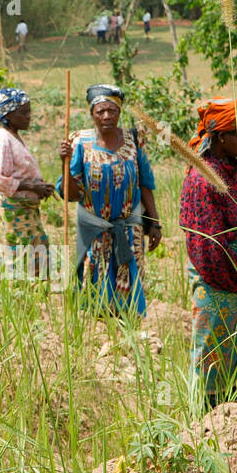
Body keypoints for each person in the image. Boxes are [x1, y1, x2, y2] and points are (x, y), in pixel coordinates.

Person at [180, 98, 237, 410]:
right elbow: (209, 247)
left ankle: (232, 417)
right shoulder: (203, 178)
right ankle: (204, 423)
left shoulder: (229, 168)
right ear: (223, 137)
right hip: (220, 286)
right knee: (213, 359)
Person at [57, 84, 161, 316]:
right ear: (91, 113)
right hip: (94, 229)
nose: (106, 116)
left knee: (130, 284)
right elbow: (70, 193)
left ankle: (130, 326)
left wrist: (154, 222)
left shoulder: (134, 139)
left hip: (129, 229)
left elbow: (146, 183)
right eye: (100, 111)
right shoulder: (79, 143)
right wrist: (63, 162)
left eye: (112, 110)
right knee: (95, 282)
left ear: (119, 112)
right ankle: (99, 329)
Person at [0, 87, 55, 281]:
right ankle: (16, 299)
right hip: (14, 211)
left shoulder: (13, 136)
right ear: (8, 114)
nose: (28, 117)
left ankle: (34, 297)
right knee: (18, 255)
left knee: (34, 252)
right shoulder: (2, 139)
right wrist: (32, 187)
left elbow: (17, 173)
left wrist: (41, 187)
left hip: (25, 209)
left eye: (29, 111)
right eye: (23, 113)